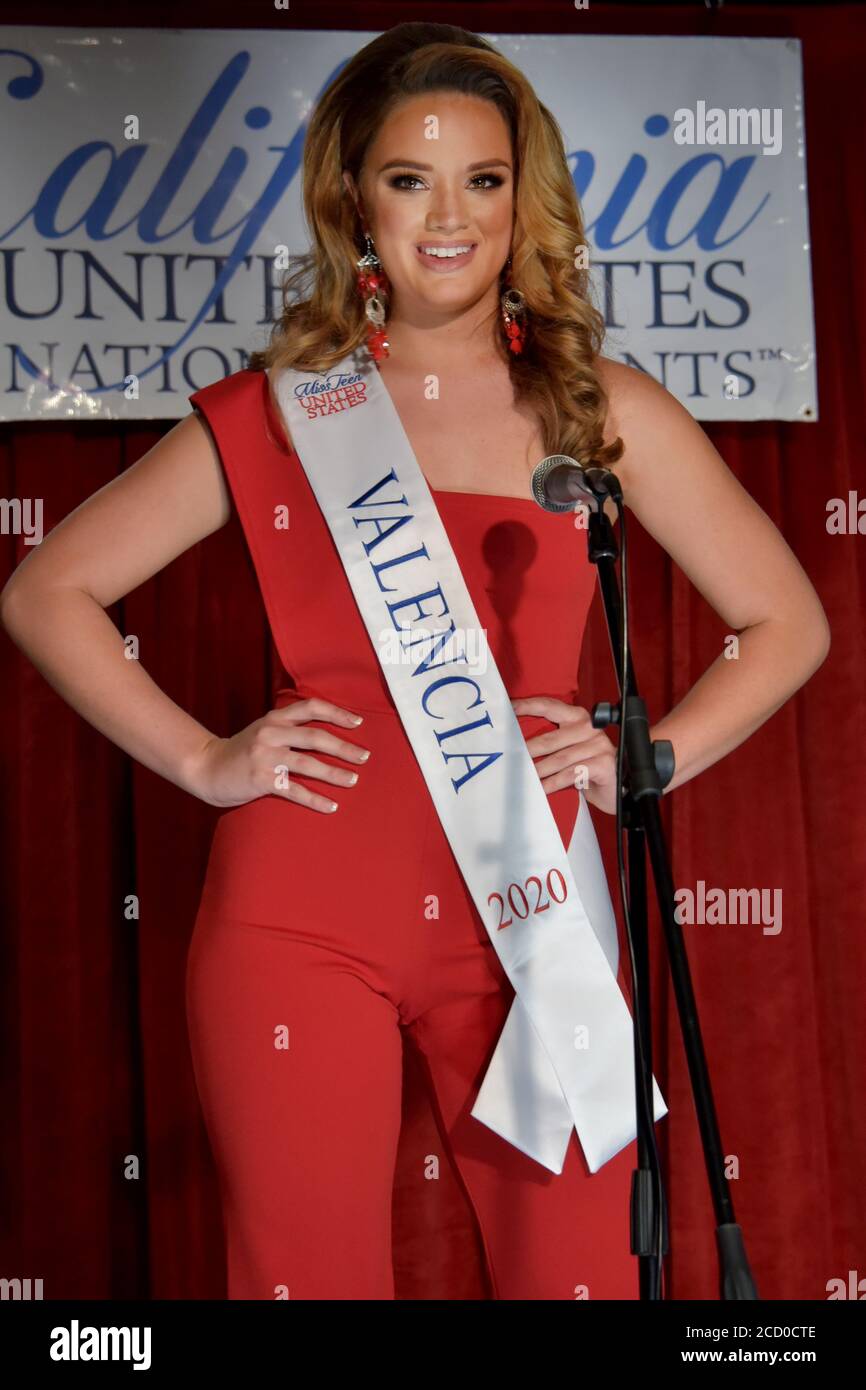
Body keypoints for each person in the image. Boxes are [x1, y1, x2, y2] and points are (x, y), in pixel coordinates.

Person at [0, 22, 829, 1301]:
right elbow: (47, 587)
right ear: (350, 199)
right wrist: (202, 757)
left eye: (482, 180)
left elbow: (789, 620)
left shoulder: (597, 410)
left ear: (522, 197)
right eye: (408, 179)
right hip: (298, 902)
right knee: (305, 1285)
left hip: (527, 906)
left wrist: (643, 757)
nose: (449, 217)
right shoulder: (285, 408)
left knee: (584, 1286)